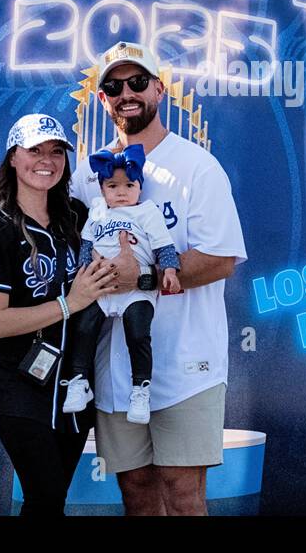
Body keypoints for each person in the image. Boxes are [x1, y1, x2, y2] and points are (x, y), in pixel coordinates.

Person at [70, 40, 247, 516]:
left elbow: (220, 259)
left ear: (159, 90)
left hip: (187, 363)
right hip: (115, 367)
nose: (126, 93)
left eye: (137, 82)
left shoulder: (197, 166)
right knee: (138, 494)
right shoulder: (89, 176)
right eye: (113, 85)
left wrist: (141, 276)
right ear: (102, 99)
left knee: (183, 494)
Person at [0, 113, 121, 516]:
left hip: (73, 387)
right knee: (46, 495)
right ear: (12, 158)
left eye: (56, 151)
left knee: (46, 503)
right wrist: (71, 302)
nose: (46, 160)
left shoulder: (79, 218)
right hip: (18, 386)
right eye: (34, 150)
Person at [62, 144, 183, 424]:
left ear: (140, 188)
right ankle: (79, 380)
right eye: (112, 185)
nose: (121, 191)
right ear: (102, 189)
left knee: (138, 333)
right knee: (83, 326)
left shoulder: (147, 213)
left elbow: (165, 246)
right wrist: (84, 269)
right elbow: (86, 244)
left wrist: (170, 271)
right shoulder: (98, 213)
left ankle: (141, 389)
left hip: (136, 287)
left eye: (129, 185)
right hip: (102, 286)